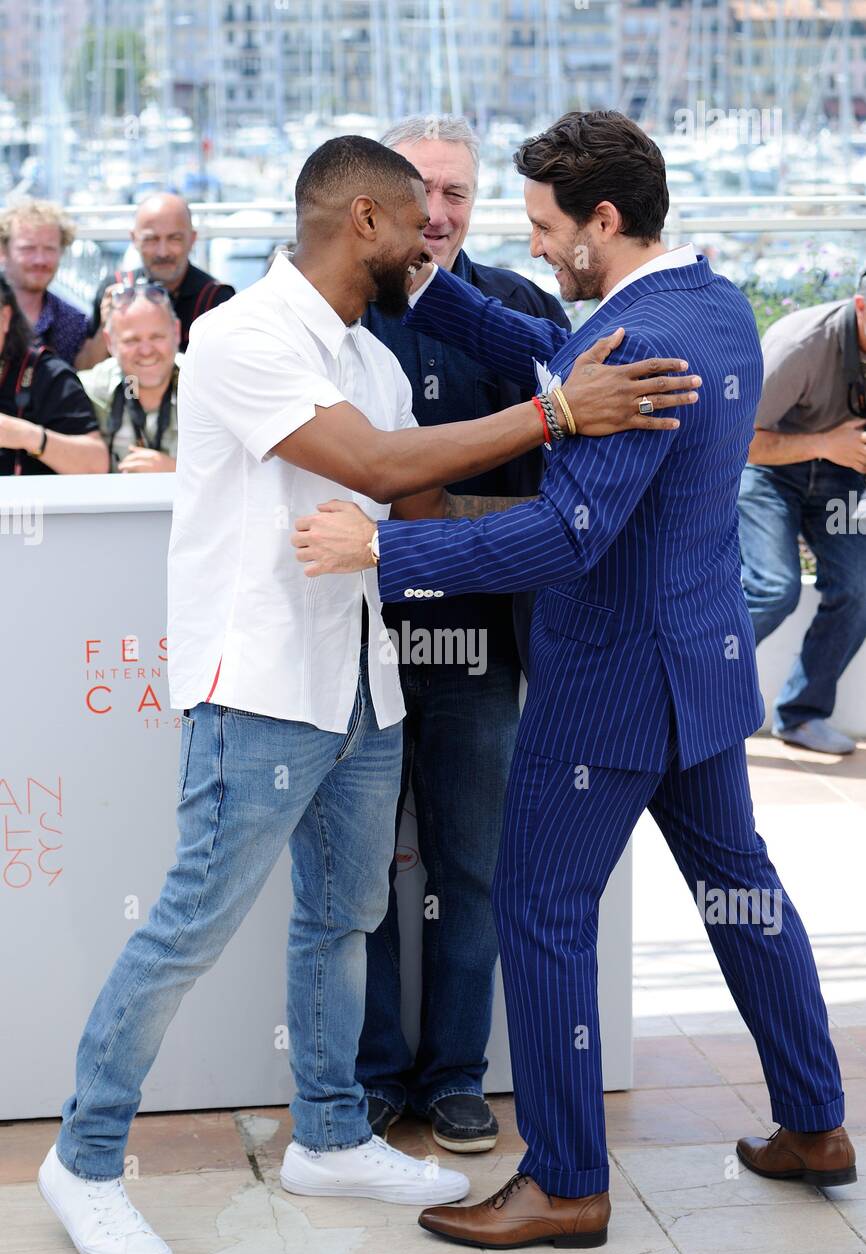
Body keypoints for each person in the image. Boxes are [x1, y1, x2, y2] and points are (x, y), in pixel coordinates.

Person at [36, 134, 694, 1254]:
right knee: (189, 924)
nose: (430, 238)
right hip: (258, 688)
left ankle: (330, 1132)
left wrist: (588, 510)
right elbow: (378, 470)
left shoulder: (371, 359)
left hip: (361, 683)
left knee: (341, 920)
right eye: (413, 220)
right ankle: (86, 1159)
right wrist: (558, 417)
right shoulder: (239, 336)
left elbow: (424, 501)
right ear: (363, 225)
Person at [291, 111, 855, 1252]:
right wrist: (434, 286)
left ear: (603, 219)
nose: (537, 246)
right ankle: (813, 1120)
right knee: (741, 895)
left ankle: (563, 1180)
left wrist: (383, 549)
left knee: (540, 912)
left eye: (547, 228)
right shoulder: (710, 302)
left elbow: (565, 535)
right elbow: (554, 367)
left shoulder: (638, 341)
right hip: (698, 668)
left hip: (609, 682)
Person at [358, 114, 572, 1154]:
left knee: (469, 870)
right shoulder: (339, 308)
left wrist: (449, 525)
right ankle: (368, 1076)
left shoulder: (521, 308)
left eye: (456, 195)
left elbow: (552, 498)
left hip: (481, 644)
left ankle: (452, 1077)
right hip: (351, 639)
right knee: (361, 870)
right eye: (421, 192)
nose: (437, 214)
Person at [737, 276, 866, 754]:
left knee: (859, 588)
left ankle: (802, 713)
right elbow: (740, 441)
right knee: (775, 588)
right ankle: (687, 698)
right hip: (768, 472)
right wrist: (826, 443)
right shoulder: (799, 344)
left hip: (842, 477)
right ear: (860, 307)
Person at [77, 193, 234, 367]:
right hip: (129, 391)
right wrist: (107, 326)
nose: (163, 252)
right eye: (151, 239)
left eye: (174, 238)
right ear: (134, 240)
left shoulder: (217, 300)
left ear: (192, 239)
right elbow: (85, 370)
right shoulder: (115, 290)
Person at [0, 271, 108, 476]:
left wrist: (25, 435)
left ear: (5, 317)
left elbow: (96, 463)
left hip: (29, 506)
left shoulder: (46, 374)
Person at [78, 281, 182, 473]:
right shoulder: (87, 391)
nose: (146, 351)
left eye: (157, 337)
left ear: (176, 332)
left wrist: (176, 473)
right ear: (110, 342)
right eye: (131, 340)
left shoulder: (206, 385)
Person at [0, 199, 90, 367]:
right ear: (3, 251)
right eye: (28, 248)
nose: (40, 260)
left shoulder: (73, 323)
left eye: (49, 249)